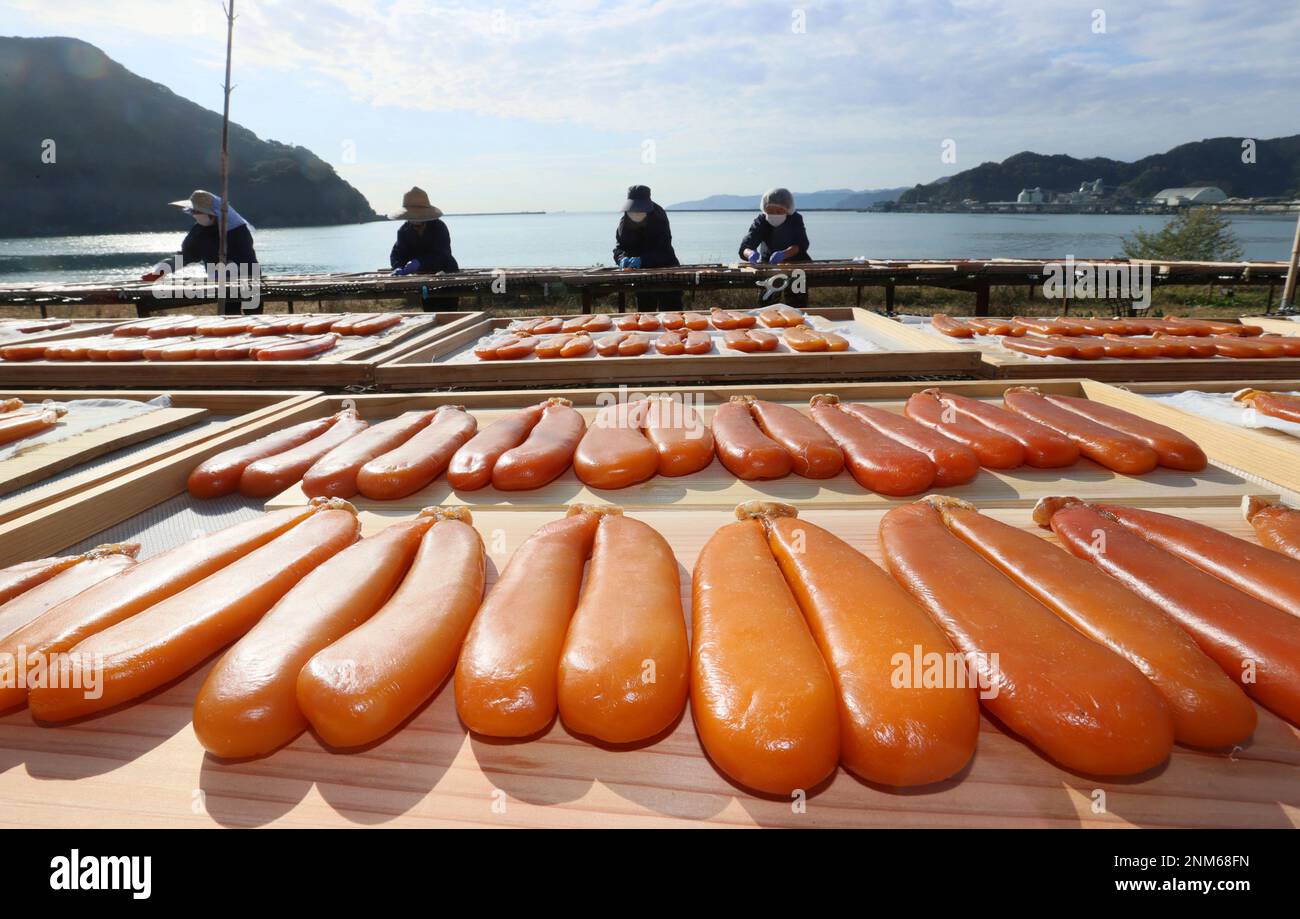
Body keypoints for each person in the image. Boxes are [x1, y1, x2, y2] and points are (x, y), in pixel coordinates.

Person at [142, 189, 260, 314]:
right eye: (194, 211)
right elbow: (186, 255)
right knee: (229, 316)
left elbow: (244, 259)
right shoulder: (198, 232)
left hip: (247, 278)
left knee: (252, 315)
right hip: (220, 283)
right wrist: (161, 270)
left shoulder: (237, 231)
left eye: (199, 211)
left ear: (213, 213)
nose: (195, 214)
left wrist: (224, 273)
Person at [387, 186, 460, 311]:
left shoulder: (439, 227)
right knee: (429, 312)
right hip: (422, 280)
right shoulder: (404, 230)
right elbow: (397, 253)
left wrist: (420, 261)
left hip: (446, 276)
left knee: (448, 312)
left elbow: (443, 254)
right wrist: (397, 266)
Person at [612, 184, 682, 312]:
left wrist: (642, 260)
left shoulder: (659, 218)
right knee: (645, 317)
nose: (636, 213)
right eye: (633, 210)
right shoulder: (624, 224)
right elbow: (619, 248)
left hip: (667, 274)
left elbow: (664, 252)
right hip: (641, 277)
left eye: (640, 210)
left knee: (672, 315)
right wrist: (622, 258)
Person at [738, 187, 811, 308]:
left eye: (779, 211)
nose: (774, 214)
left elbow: (802, 244)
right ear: (764, 209)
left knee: (798, 304)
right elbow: (747, 245)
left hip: (796, 265)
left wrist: (784, 254)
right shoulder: (761, 221)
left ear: (788, 209)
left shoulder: (795, 219)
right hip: (769, 265)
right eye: (770, 211)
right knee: (767, 304)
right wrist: (750, 253)